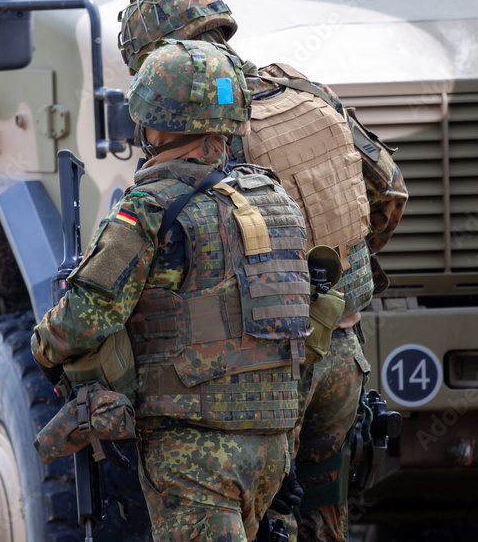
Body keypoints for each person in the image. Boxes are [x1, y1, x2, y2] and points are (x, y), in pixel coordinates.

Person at [118, 0, 408, 542]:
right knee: (325, 523)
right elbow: (390, 193)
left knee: (268, 524)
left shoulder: (204, 127)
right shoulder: (305, 92)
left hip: (268, 375)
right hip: (343, 355)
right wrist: (338, 277)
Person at [32, 39, 312, 542]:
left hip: (194, 453)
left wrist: (44, 345)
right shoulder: (276, 200)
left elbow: (83, 318)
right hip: (273, 445)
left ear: (154, 120)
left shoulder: (150, 208)